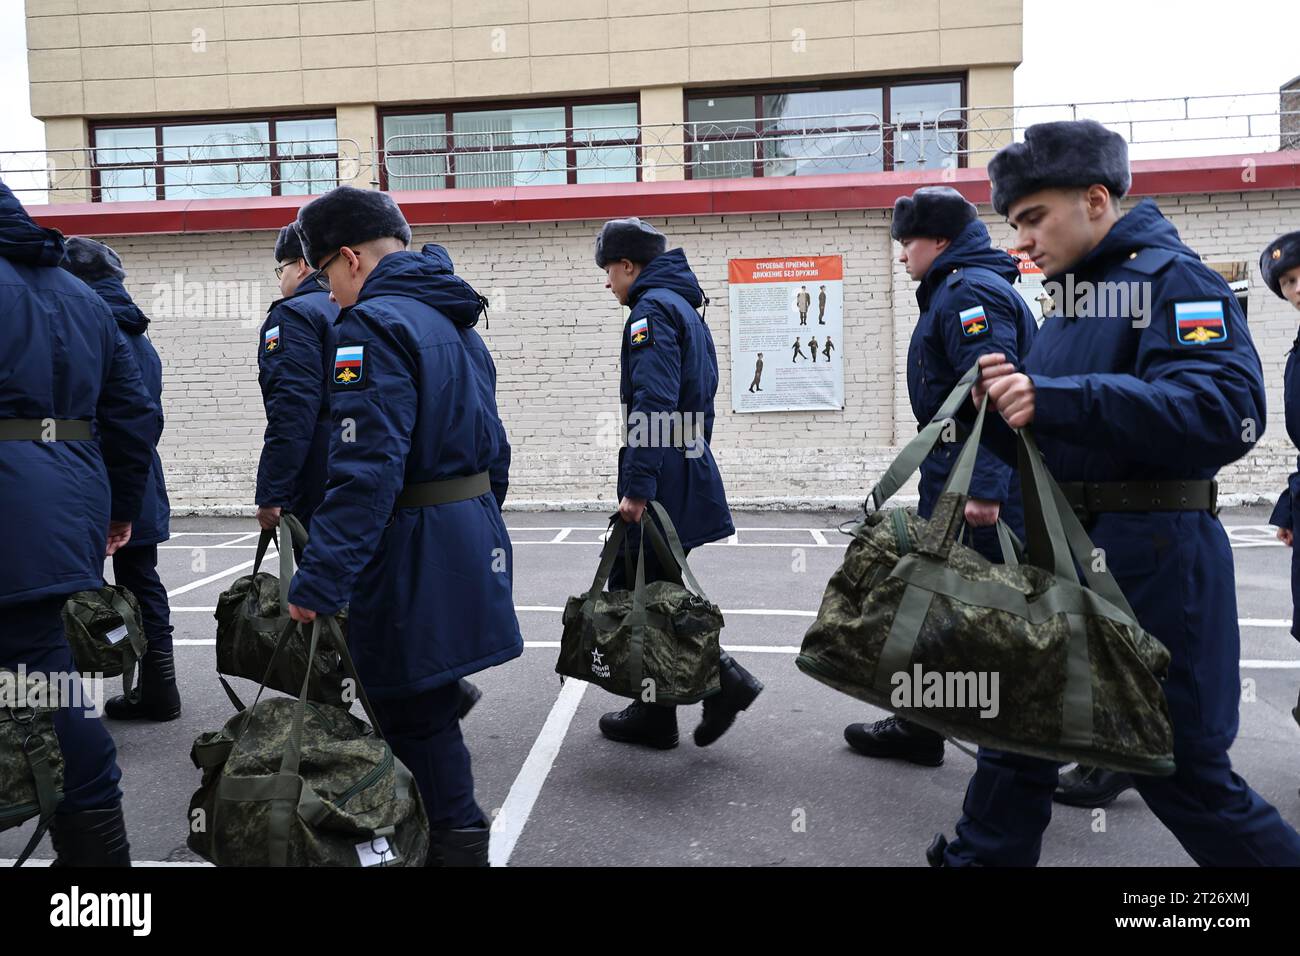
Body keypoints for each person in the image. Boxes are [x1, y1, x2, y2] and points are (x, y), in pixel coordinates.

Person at [930, 120, 1300, 866]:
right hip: (1062, 558)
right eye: (1015, 223)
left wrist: (1060, 397)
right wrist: (995, 415)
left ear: (1097, 200)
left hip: (1151, 566)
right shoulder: (1073, 300)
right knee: (1015, 743)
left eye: (1035, 218)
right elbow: (1058, 439)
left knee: (1180, 774)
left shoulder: (1176, 280)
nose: (1023, 241)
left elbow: (1225, 410)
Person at [285, 186, 522, 866]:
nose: (328, 294)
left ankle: (455, 842)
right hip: (466, 531)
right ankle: (440, 834)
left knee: (409, 709)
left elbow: (365, 471)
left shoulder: (372, 327)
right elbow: (496, 448)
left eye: (326, 273)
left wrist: (320, 577)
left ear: (351, 258)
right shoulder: (453, 319)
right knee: (428, 698)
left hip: (411, 547)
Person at [844, 186, 1037, 767]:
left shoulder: (968, 292)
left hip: (974, 485)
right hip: (952, 476)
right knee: (936, 604)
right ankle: (921, 727)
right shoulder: (954, 288)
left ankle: (1024, 749)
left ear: (942, 241)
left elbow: (997, 396)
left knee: (992, 615)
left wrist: (985, 488)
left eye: (908, 242)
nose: (901, 255)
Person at [0, 177, 158, 864]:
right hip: (66, 505)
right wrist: (120, 506)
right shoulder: (80, 296)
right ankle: (99, 863)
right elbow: (132, 415)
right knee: (47, 678)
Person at [594, 217, 763, 749]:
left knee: (640, 591)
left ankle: (723, 683)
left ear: (629, 266)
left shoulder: (651, 311)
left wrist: (639, 486)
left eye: (609, 272)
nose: (607, 284)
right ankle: (657, 711)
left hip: (663, 472)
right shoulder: (684, 308)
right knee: (653, 590)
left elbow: (654, 401)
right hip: (685, 462)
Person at [61, 237, 179, 722]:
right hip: (138, 476)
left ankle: (70, 716)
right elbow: (146, 417)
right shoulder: (139, 335)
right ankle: (160, 689)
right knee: (142, 582)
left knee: (74, 594)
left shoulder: (81, 328)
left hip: (86, 479)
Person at [255, 224, 339, 538]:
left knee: (318, 578)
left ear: (302, 265)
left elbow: (291, 409)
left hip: (316, 471)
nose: (281, 281)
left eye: (282, 270)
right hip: (357, 466)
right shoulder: (348, 306)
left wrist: (272, 493)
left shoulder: (293, 316)